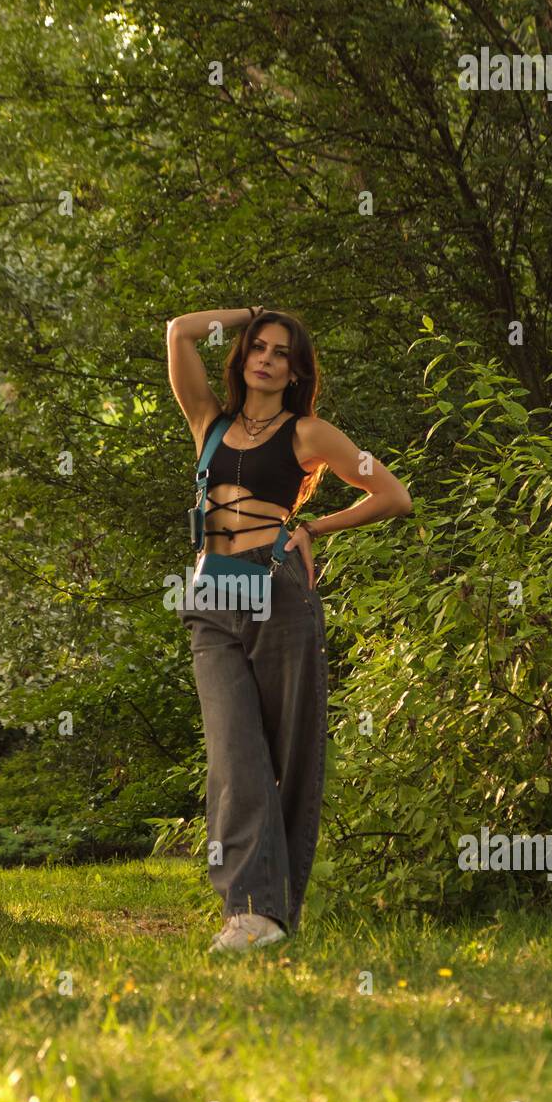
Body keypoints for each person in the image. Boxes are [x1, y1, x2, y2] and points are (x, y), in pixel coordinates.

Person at [166, 305, 412, 953]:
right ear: (244, 354)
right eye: (258, 346)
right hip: (211, 593)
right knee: (232, 753)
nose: (268, 357)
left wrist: (312, 527)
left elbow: (392, 494)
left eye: (281, 351)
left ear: (296, 370)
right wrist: (252, 312)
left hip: (276, 588)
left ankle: (274, 915)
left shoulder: (309, 435)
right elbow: (178, 331)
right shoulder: (208, 423)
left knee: (292, 752)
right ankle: (249, 912)